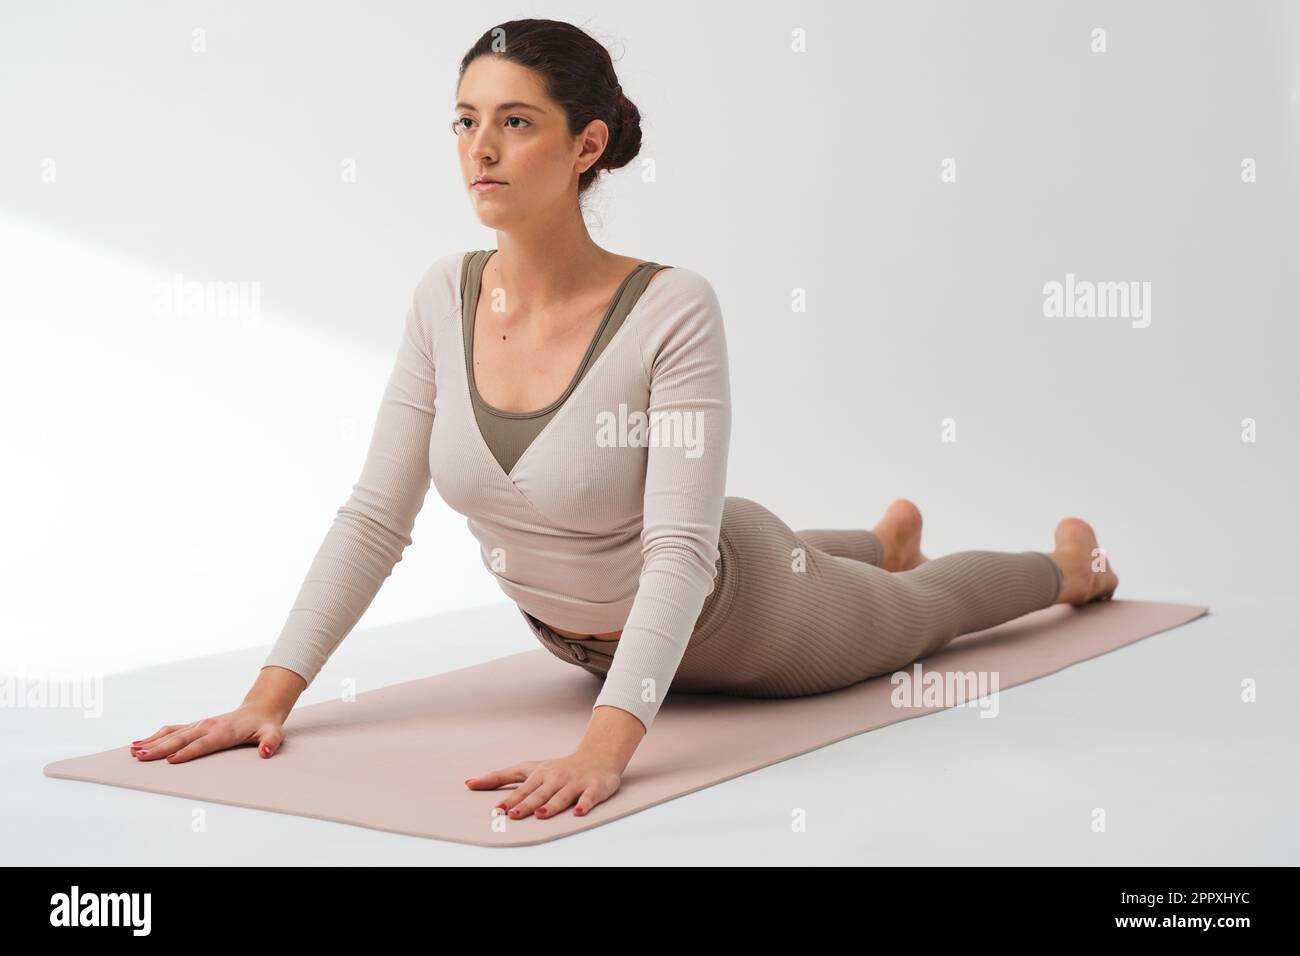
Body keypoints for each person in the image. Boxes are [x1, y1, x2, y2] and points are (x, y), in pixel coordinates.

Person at [129, 19, 1119, 823]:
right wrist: (271, 694)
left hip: (742, 613)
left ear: (586, 143)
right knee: (808, 552)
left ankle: (1062, 569)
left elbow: (681, 550)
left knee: (924, 617)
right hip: (582, 636)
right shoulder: (443, 293)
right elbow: (374, 515)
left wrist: (606, 748)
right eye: (465, 120)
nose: (480, 148)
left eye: (515, 122)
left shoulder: (672, 306)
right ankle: (876, 538)